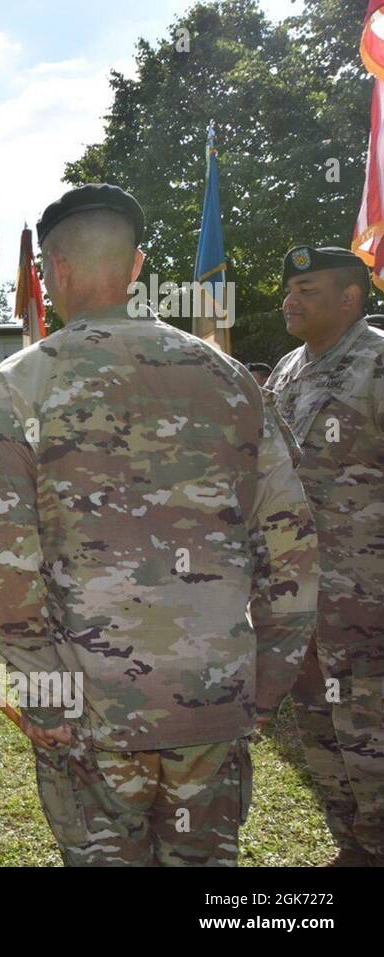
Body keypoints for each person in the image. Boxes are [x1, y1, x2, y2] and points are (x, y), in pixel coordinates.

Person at [0, 184, 320, 866]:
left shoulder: (20, 384)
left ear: (53, 272)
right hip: (212, 700)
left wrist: (48, 693)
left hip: (89, 715)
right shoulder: (229, 377)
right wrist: (267, 684)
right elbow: (291, 544)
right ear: (137, 266)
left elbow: (0, 564)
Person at [267, 244, 384, 866]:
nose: (291, 299)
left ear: (350, 297)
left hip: (367, 599)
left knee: (372, 732)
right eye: (290, 290)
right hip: (300, 599)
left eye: (308, 289)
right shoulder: (288, 368)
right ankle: (354, 849)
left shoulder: (378, 363)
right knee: (321, 728)